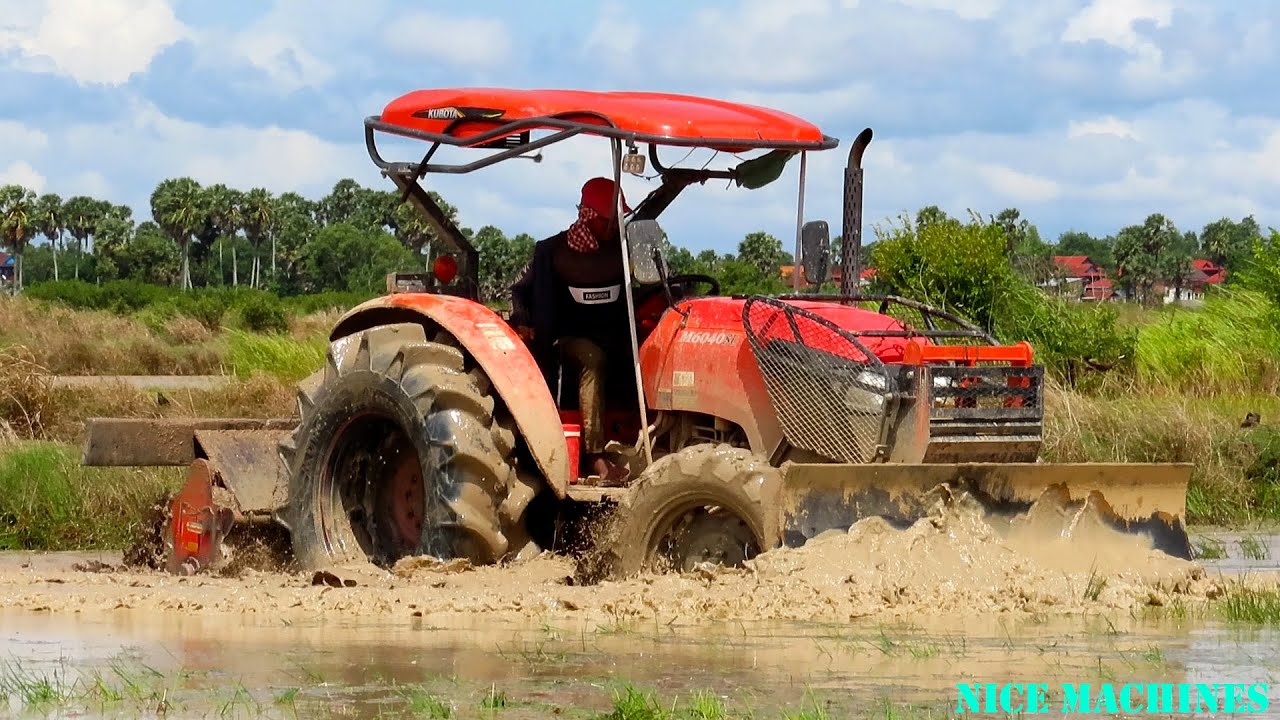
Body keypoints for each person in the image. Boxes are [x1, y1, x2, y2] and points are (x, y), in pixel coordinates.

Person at [509, 177, 635, 484]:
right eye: (611, 220)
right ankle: (595, 456)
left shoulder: (622, 253)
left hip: (612, 337)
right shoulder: (552, 252)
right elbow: (521, 291)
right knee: (592, 358)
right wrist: (524, 321)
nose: (617, 226)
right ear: (591, 218)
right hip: (564, 339)